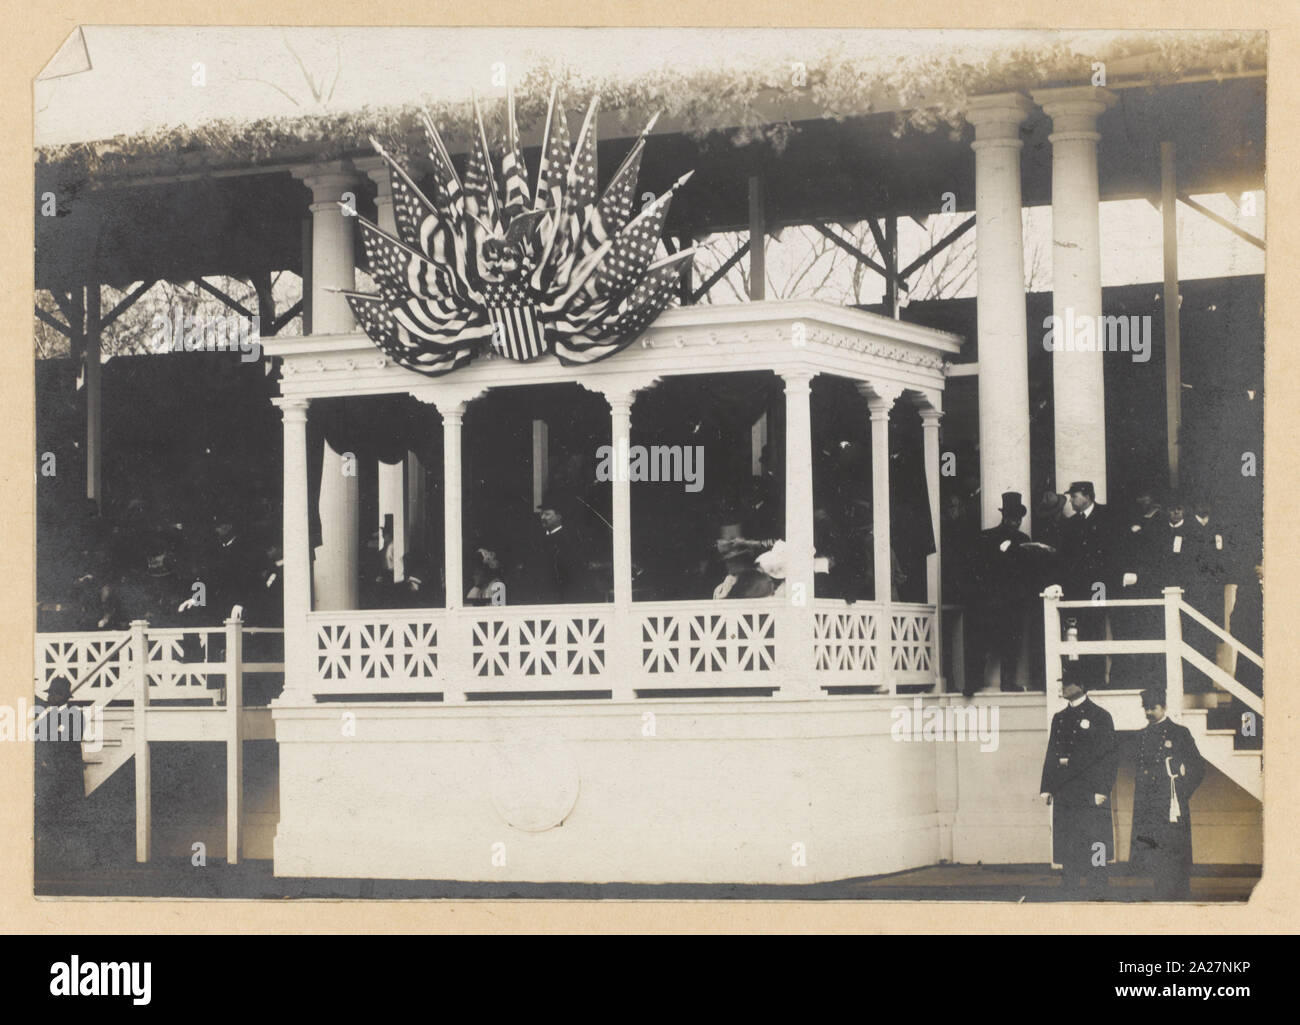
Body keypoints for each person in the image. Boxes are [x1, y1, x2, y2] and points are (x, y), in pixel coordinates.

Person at [1039, 660, 1118, 898]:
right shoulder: (1059, 718)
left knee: (1095, 836)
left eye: (1068, 682)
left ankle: (1098, 880)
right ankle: (1070, 880)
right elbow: (1052, 752)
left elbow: (1109, 757)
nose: (1062, 687)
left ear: (1081, 685)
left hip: (1091, 788)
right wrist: (1048, 786)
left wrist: (1103, 788)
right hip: (1065, 788)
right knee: (1069, 835)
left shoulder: (1100, 716)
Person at [1131, 686, 1205, 900]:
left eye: (1152, 708)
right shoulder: (1142, 735)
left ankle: (1180, 894)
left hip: (1171, 803)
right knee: (1155, 852)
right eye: (1145, 708)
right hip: (1149, 804)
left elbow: (1198, 768)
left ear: (1164, 707)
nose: (1148, 713)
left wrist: (1180, 792)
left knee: (1175, 850)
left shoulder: (1179, 733)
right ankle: (1161, 893)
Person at [1053, 481, 1115, 686]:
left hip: (1099, 584)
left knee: (1096, 624)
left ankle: (1097, 677)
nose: (1071, 500)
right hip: (1077, 585)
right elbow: (1065, 557)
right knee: (1077, 628)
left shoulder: (1107, 516)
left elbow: (1116, 548)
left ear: (1087, 496)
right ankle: (1081, 677)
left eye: (1074, 496)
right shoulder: (1070, 524)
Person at [971, 492, 1032, 694]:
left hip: (1013, 599)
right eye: (1013, 517)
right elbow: (980, 568)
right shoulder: (986, 537)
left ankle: (1007, 682)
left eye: (1018, 518)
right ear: (1004, 516)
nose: (1016, 522)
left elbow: (1027, 570)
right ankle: (973, 682)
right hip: (991, 598)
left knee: (1011, 643)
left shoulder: (1024, 539)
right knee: (983, 641)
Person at [535, 496, 601, 604]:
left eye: (547, 514)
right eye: (541, 514)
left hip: (565, 591)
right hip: (543, 590)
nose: (543, 517)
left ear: (559, 516)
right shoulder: (538, 538)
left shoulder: (569, 538)